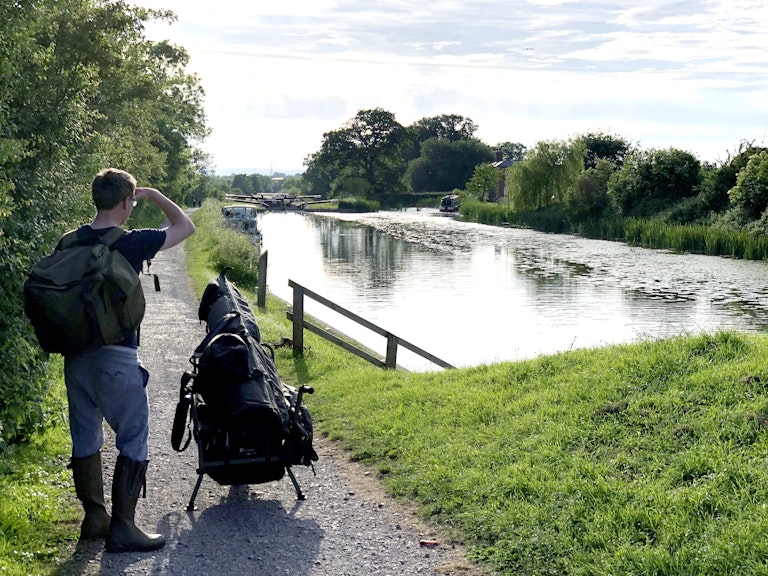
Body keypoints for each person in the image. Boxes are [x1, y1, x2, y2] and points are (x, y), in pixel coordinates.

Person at [65, 168, 195, 553]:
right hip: (118, 355)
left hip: (75, 359)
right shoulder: (133, 242)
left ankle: (94, 519)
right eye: (133, 201)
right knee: (134, 438)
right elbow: (184, 226)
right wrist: (153, 195)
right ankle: (124, 527)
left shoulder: (68, 242)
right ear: (126, 202)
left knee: (86, 436)